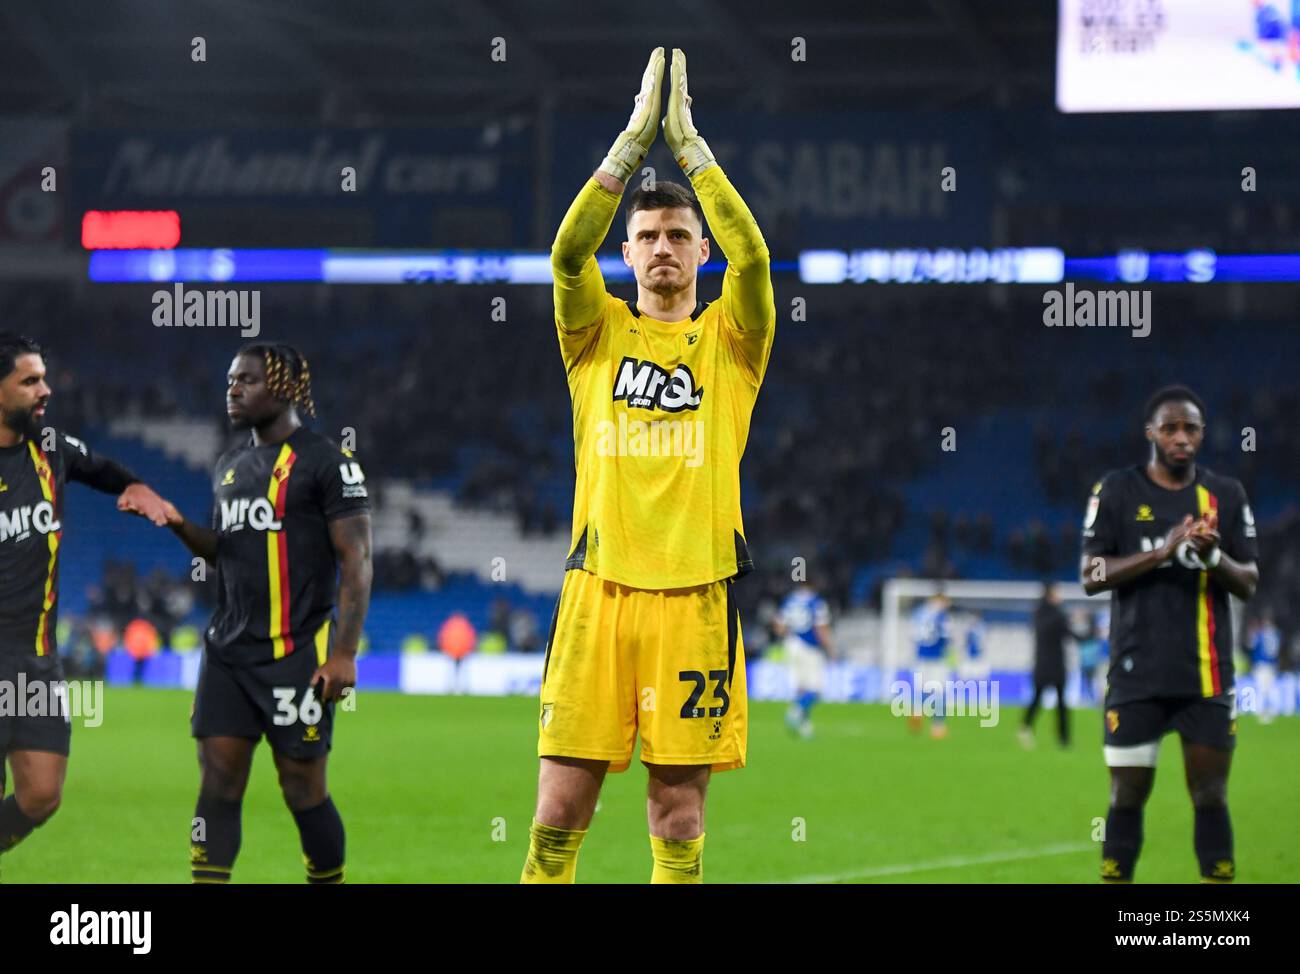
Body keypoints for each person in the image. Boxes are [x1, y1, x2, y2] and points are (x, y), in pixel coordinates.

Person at [521, 47, 775, 884]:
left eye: (677, 236)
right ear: (625, 255)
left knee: (678, 814)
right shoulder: (592, 335)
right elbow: (564, 256)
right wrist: (633, 144)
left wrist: (691, 150)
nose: (662, 247)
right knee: (558, 812)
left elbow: (758, 261)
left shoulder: (733, 344)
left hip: (696, 598)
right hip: (597, 592)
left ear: (700, 252)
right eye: (647, 237)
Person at [161, 344, 373, 884]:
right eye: (231, 379)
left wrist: (344, 653)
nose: (232, 389)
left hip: (295, 655)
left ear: (282, 387)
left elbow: (357, 560)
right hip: (227, 657)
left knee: (303, 789)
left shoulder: (327, 462)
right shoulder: (229, 466)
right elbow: (221, 551)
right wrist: (176, 523)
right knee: (218, 783)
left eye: (247, 380)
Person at [0, 333, 171, 872]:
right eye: (30, 381)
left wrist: (137, 486)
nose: (45, 389)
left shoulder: (48, 447)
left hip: (36, 662)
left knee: (41, 795)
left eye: (44, 377)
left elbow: (98, 467)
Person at [1081, 385, 1258, 883]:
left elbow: (1248, 583)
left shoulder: (1226, 494)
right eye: (1171, 428)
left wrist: (1211, 557)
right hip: (1136, 676)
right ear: (1151, 433)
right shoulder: (1115, 491)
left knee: (1210, 796)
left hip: (1207, 677)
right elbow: (1091, 575)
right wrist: (1161, 552)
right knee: (1126, 797)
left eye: (1191, 428)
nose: (1181, 437)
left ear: (1202, 434)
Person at [773, 585, 834, 739]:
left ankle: (804, 727)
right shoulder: (816, 602)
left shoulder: (790, 600)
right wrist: (830, 648)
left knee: (801, 689)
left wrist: (790, 636)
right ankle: (795, 711)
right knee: (816, 690)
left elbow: (779, 626)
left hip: (791, 644)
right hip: (809, 648)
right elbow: (821, 628)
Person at [1020, 582, 1073, 749]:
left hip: (1048, 664)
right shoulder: (1055, 616)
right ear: (1050, 594)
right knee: (1045, 700)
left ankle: (1061, 738)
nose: (1061, 596)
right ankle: (1028, 728)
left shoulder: (1040, 614)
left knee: (1056, 702)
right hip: (1049, 664)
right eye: (1058, 592)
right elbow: (1069, 634)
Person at [909, 592, 952, 739]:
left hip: (920, 657)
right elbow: (946, 639)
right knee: (939, 691)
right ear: (939, 601)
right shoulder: (942, 617)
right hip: (937, 658)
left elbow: (914, 636)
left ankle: (917, 711)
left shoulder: (919, 613)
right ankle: (938, 726)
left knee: (923, 689)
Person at [1248, 612, 1281, 724]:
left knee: (1261, 690)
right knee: (1271, 689)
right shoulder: (1277, 634)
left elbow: (1251, 645)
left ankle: (1261, 714)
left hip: (1261, 665)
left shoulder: (1261, 634)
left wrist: (1253, 632)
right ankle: (1274, 710)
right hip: (1272, 665)